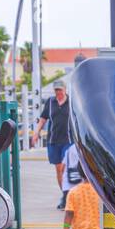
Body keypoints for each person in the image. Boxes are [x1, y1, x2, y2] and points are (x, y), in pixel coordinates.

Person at [32, 81, 72, 209]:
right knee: (58, 170)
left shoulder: (72, 103)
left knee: (64, 169)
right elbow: (43, 119)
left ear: (65, 89)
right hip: (53, 141)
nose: (58, 93)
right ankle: (65, 195)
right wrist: (36, 132)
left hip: (68, 140)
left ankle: (67, 196)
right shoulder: (50, 102)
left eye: (60, 90)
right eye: (56, 90)